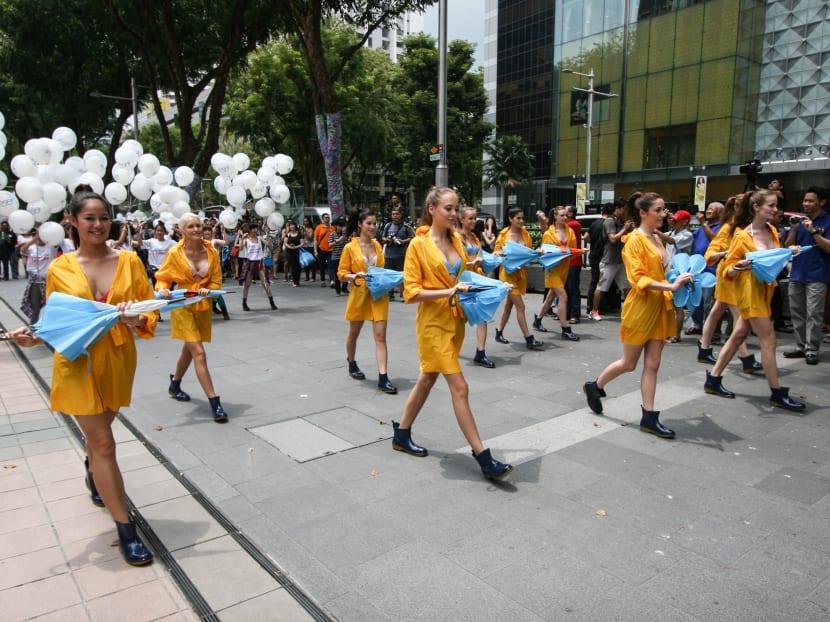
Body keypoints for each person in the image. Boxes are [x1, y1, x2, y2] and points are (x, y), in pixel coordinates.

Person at [9, 187, 158, 566]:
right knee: (104, 443)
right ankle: (126, 530)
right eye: (89, 218)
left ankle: (93, 469)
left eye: (104, 217)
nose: (98, 224)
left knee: (99, 438)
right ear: (73, 221)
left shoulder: (130, 261)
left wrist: (138, 318)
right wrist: (33, 337)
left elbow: (151, 308)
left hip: (118, 361)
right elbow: (56, 321)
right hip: (76, 364)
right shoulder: (59, 268)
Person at [392, 187, 513, 481]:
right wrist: (449, 291)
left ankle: (402, 433)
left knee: (427, 378)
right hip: (432, 325)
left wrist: (494, 284)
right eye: (448, 208)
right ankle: (483, 457)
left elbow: (463, 274)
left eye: (456, 208)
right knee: (460, 387)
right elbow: (411, 292)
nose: (454, 213)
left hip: (455, 322)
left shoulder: (456, 239)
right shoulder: (418, 245)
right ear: (432, 209)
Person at [583, 192, 693, 439]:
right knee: (629, 363)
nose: (664, 214)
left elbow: (666, 269)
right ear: (643, 213)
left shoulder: (657, 238)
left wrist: (682, 277)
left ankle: (649, 417)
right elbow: (638, 278)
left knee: (653, 364)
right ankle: (595, 386)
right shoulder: (634, 240)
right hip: (641, 307)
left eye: (664, 209)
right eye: (658, 210)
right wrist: (671, 286)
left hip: (660, 306)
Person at [703, 190, 806, 411]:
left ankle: (713, 379)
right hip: (750, 294)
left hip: (766, 291)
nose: (775, 209)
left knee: (738, 335)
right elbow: (726, 271)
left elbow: (773, 259)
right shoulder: (742, 236)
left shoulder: (772, 231)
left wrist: (788, 252)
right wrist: (738, 267)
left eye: (776, 205)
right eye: (771, 205)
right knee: (769, 341)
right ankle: (776, 393)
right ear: (757, 207)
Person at [155, 213, 229, 422]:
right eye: (190, 226)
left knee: (188, 349)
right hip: (182, 306)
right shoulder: (175, 252)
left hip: (202, 306)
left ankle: (175, 384)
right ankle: (215, 402)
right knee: (199, 352)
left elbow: (216, 280)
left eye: (198, 225)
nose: (196, 229)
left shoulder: (211, 251)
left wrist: (209, 289)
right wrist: (163, 289)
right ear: (182, 231)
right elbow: (163, 277)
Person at [695, 194, 763, 373]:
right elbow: (711, 253)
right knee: (738, 316)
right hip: (728, 275)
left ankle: (704, 348)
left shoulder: (750, 226)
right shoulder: (729, 227)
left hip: (741, 275)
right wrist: (726, 253)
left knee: (718, 311)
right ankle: (746, 358)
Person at [337, 209, 397, 394]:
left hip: (378, 296)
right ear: (359, 224)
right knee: (353, 334)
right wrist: (355, 276)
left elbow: (381, 269)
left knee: (381, 337)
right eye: (368, 223)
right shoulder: (350, 247)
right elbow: (341, 273)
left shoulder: (378, 245)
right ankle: (351, 362)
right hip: (359, 295)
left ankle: (383, 377)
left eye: (374, 223)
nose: (372, 227)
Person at [783, 186, 830, 365]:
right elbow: (787, 247)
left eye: (810, 201)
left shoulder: (827, 221)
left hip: (818, 274)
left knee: (814, 314)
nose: (806, 204)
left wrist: (813, 232)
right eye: (805, 200)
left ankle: (812, 349)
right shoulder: (800, 221)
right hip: (797, 272)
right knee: (797, 312)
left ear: (822, 202)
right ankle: (800, 346)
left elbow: (828, 248)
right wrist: (795, 229)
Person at [493, 207, 544, 350]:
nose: (521, 221)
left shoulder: (525, 234)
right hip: (507, 275)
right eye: (518, 218)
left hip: (520, 274)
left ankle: (499, 332)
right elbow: (495, 252)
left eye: (522, 218)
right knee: (521, 306)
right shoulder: (503, 235)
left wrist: (537, 252)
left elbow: (529, 253)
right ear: (510, 219)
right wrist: (499, 253)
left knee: (509, 305)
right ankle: (529, 338)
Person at [457, 205, 497, 367]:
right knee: (459, 318)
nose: (474, 221)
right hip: (462, 282)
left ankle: (480, 353)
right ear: (462, 219)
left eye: (475, 218)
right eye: (470, 218)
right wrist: (471, 263)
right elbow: (452, 263)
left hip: (478, 280)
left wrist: (487, 259)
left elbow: (481, 256)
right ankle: (445, 347)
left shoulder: (475, 237)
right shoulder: (455, 238)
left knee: (482, 316)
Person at [533, 206, 579, 341]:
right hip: (552, 269)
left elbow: (572, 250)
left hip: (564, 268)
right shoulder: (549, 233)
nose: (565, 218)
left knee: (550, 297)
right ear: (555, 216)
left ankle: (538, 320)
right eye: (562, 215)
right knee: (563, 297)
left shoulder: (570, 231)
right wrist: (561, 252)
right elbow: (545, 253)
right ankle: (565, 329)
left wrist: (578, 252)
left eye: (566, 215)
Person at [588, 200, 634, 320]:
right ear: (617, 208)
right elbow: (613, 239)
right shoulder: (610, 221)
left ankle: (629, 312)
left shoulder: (621, 221)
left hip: (620, 260)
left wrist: (630, 228)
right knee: (602, 287)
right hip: (609, 260)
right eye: (624, 209)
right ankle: (594, 311)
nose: (626, 212)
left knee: (627, 287)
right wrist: (624, 229)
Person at [655, 209, 693, 343]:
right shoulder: (671, 232)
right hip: (668, 272)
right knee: (668, 303)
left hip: (679, 273)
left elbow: (671, 241)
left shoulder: (687, 235)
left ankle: (676, 335)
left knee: (678, 305)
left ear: (684, 222)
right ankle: (667, 332)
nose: (673, 223)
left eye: (676, 221)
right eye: (673, 220)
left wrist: (656, 231)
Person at [686, 201, 724, 335]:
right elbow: (692, 238)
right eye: (707, 208)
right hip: (697, 268)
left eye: (711, 209)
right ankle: (697, 325)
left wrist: (703, 223)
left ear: (720, 212)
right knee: (695, 299)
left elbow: (714, 240)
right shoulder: (703, 226)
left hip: (710, 269)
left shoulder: (721, 227)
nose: (708, 211)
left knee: (707, 302)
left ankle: (708, 330)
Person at [18, 229, 59, 323]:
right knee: (35, 307)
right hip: (35, 282)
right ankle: (34, 327)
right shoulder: (31, 248)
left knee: (49, 306)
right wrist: (35, 238)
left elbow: (57, 236)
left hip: (48, 281)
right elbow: (22, 250)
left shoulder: (50, 247)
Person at [239, 223, 278, 311]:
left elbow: (268, 244)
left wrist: (268, 235)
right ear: (250, 230)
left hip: (259, 262)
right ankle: (244, 303)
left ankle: (272, 302)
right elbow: (240, 248)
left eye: (256, 228)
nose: (255, 230)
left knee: (265, 283)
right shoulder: (246, 240)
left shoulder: (260, 238)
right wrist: (242, 238)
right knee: (247, 284)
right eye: (253, 228)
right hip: (250, 262)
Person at [585, 202, 615, 316]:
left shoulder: (595, 223)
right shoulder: (609, 224)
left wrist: (593, 243)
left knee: (595, 281)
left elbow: (586, 237)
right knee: (602, 282)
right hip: (604, 255)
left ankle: (590, 306)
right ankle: (599, 307)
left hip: (594, 254)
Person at [380, 202, 413, 300]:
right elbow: (383, 237)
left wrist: (402, 241)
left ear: (401, 215)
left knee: (401, 274)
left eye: (397, 214)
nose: (395, 216)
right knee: (389, 274)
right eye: (393, 214)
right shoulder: (388, 225)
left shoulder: (406, 226)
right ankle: (390, 294)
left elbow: (411, 238)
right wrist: (387, 240)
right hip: (389, 254)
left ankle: (403, 294)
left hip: (401, 254)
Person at [202, 224, 231, 321]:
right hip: (203, 271)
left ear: (212, 232)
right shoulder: (199, 242)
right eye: (205, 230)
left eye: (209, 230)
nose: (207, 232)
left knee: (216, 292)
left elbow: (227, 242)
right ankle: (212, 307)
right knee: (203, 292)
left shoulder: (214, 242)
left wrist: (223, 231)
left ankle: (225, 313)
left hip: (215, 272)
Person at [564, 205, 583, 323]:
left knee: (572, 288)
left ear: (570, 214)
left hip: (574, 261)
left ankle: (574, 314)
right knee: (565, 288)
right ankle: (566, 312)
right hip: (566, 260)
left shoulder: (574, 224)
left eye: (565, 212)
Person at [328, 217, 350, 296]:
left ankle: (344, 287)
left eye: (342, 226)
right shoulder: (332, 234)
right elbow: (329, 245)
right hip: (336, 256)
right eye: (339, 226)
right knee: (337, 273)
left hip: (345, 256)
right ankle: (338, 290)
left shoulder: (345, 235)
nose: (341, 228)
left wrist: (346, 238)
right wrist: (337, 240)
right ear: (336, 226)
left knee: (346, 272)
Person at [314, 213, 334, 287]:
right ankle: (322, 280)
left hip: (331, 249)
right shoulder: (319, 227)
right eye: (326, 218)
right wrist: (315, 250)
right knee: (322, 266)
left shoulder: (333, 228)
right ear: (322, 219)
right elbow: (315, 239)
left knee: (331, 265)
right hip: (321, 249)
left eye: (328, 217)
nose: (327, 219)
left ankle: (332, 280)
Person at [283, 220, 303, 287]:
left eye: (293, 225)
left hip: (298, 252)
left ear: (295, 226)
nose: (292, 226)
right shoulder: (288, 234)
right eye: (290, 225)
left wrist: (296, 247)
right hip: (290, 252)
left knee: (298, 267)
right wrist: (290, 247)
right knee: (293, 266)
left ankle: (297, 280)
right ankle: (295, 282)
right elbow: (285, 242)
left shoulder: (299, 234)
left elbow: (302, 243)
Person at [302, 216, 316, 282]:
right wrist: (302, 231)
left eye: (306, 221)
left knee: (312, 262)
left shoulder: (311, 229)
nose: (305, 222)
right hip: (304, 246)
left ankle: (313, 277)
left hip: (310, 246)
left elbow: (310, 238)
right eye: (304, 221)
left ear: (309, 222)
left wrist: (305, 231)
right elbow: (301, 237)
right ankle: (307, 277)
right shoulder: (302, 228)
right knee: (306, 262)